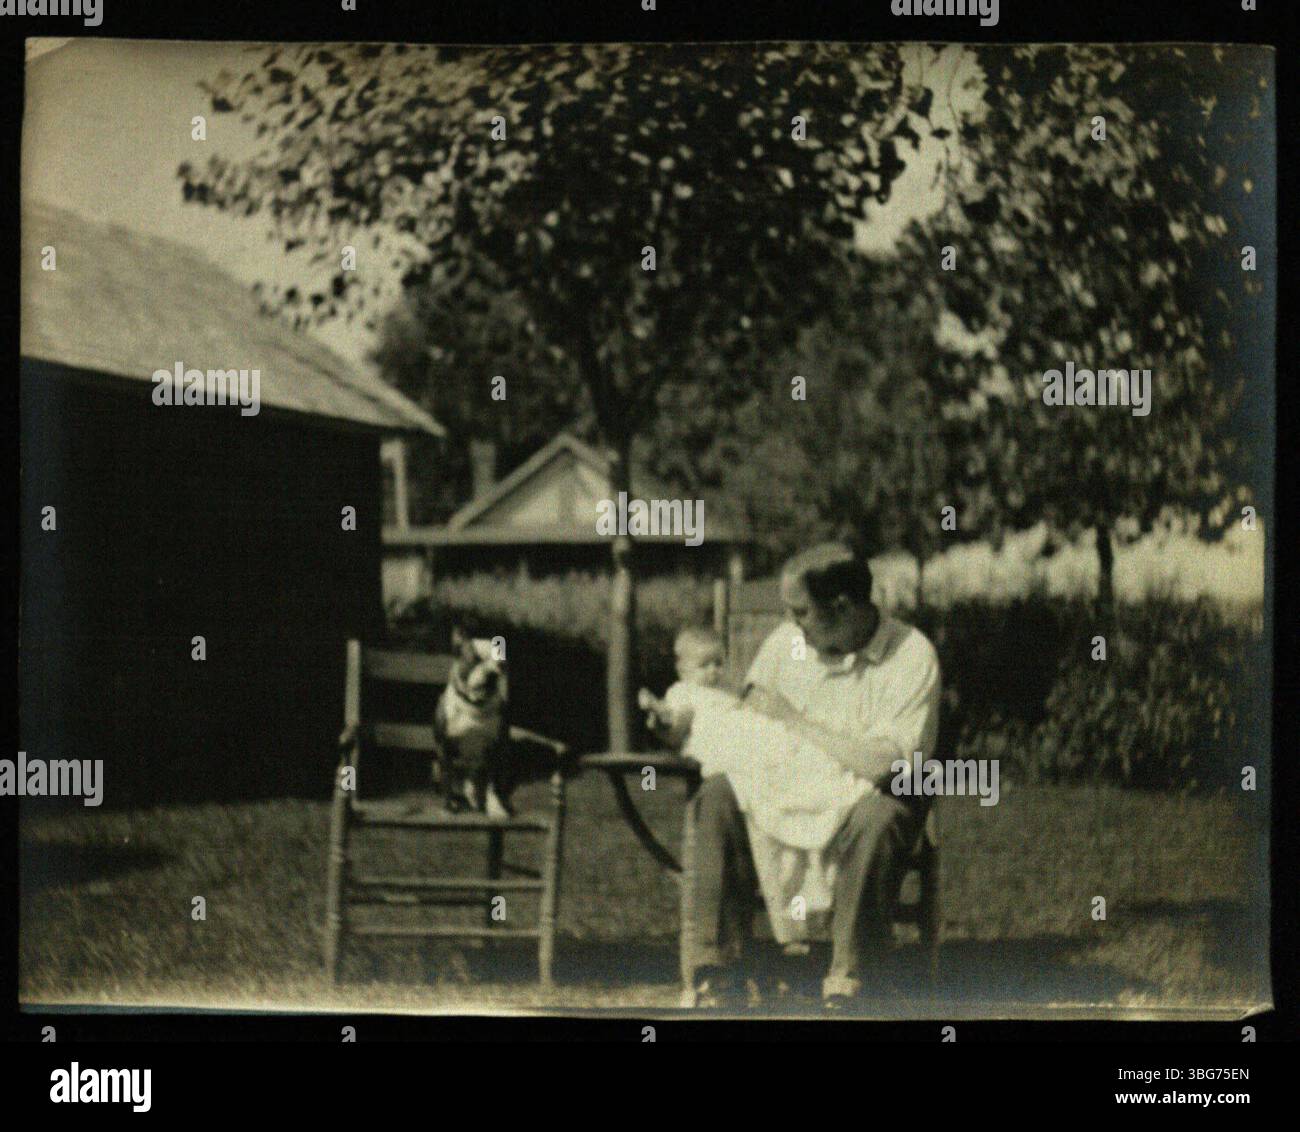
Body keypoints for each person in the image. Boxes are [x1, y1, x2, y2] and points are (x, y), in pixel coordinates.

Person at [688, 542, 941, 1008]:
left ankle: (848, 978)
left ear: (842, 607)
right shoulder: (788, 645)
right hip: (785, 788)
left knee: (881, 816)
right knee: (718, 793)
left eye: (801, 611)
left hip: (869, 797)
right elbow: (745, 719)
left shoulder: (910, 655)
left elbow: (887, 766)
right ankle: (715, 973)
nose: (791, 624)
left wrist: (795, 720)